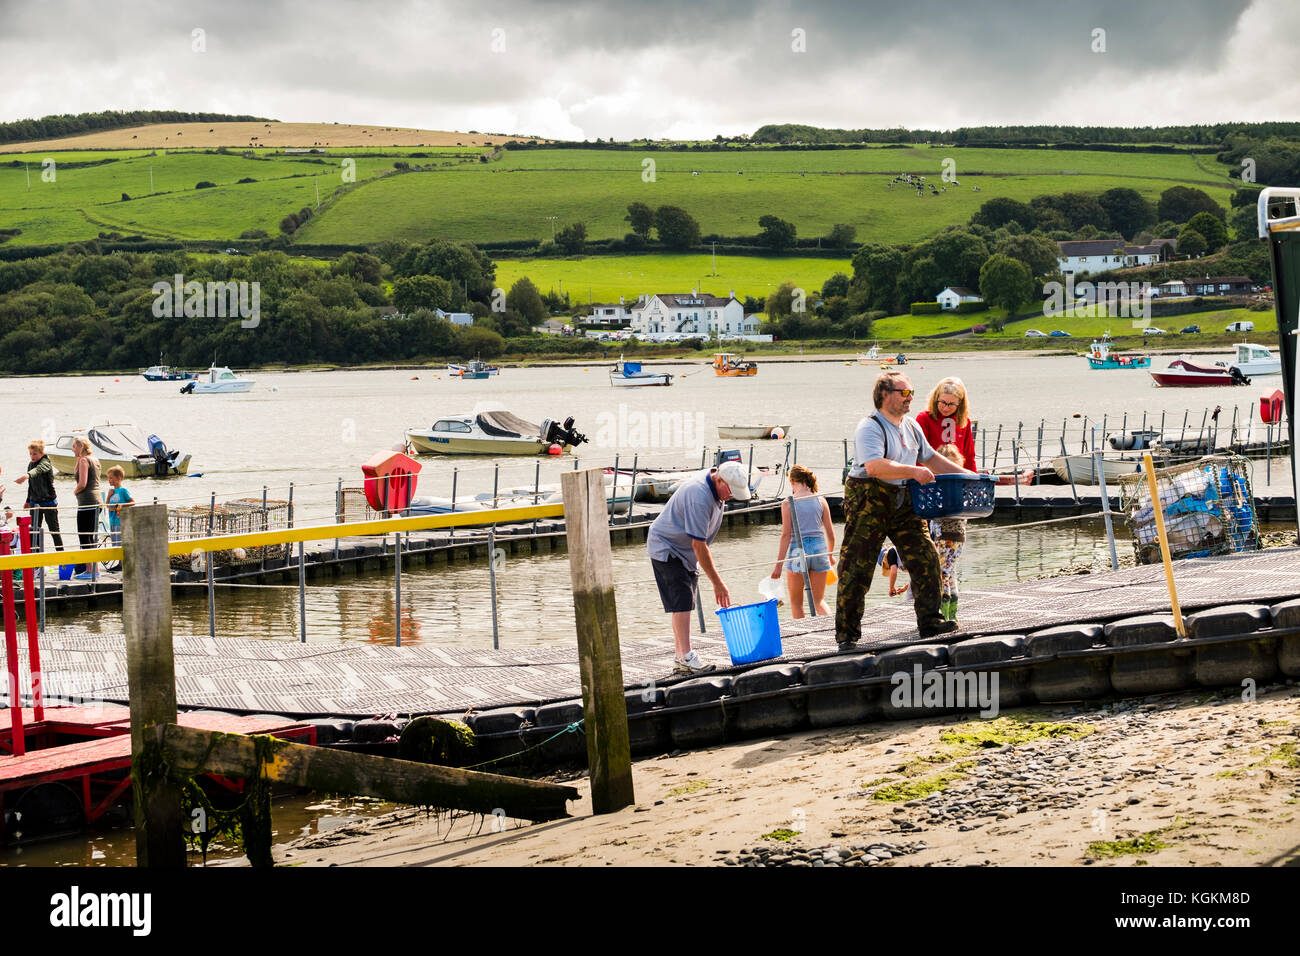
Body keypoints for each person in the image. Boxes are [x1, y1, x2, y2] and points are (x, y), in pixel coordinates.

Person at [836, 370, 975, 648]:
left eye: (911, 392)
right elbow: (875, 467)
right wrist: (914, 471)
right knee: (857, 567)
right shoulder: (870, 427)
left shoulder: (911, 426)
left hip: (903, 500)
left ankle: (931, 622)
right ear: (885, 395)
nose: (911, 397)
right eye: (905, 392)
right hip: (868, 499)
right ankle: (847, 635)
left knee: (925, 557)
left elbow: (932, 458)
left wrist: (968, 477)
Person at [647, 460, 751, 675]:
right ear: (719, 479)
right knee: (682, 600)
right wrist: (718, 584)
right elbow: (698, 544)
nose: (731, 496)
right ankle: (686, 656)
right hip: (667, 546)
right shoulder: (699, 496)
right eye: (731, 491)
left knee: (684, 602)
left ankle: (680, 658)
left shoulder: (716, 482)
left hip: (684, 550)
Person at [769, 465, 834, 618]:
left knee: (797, 604)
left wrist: (778, 566)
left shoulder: (788, 503)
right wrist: (830, 556)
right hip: (820, 550)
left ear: (792, 482)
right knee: (818, 602)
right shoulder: (821, 500)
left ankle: (804, 637)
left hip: (798, 551)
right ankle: (832, 628)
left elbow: (786, 535)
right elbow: (831, 535)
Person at [929, 444, 968, 622]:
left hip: (947, 535)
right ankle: (952, 614)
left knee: (943, 574)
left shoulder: (944, 490)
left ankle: (945, 615)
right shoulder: (961, 486)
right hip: (955, 537)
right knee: (950, 574)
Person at [915, 377, 977, 472]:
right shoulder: (924, 419)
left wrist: (973, 480)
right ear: (936, 399)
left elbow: (969, 456)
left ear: (960, 404)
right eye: (943, 402)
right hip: (931, 478)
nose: (946, 408)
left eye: (951, 404)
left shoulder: (964, 422)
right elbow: (918, 454)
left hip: (958, 478)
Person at [14, 439, 64, 553]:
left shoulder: (45, 462)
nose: (32, 456)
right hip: (35, 502)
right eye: (30, 454)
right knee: (34, 530)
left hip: (48, 502)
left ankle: (61, 555)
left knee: (54, 530)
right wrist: (27, 500)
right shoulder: (30, 464)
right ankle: (36, 555)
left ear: (42, 453)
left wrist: (26, 475)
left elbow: (38, 470)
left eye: (35, 454)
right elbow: (31, 485)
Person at [72, 436, 102, 579]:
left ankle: (90, 570)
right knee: (91, 536)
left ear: (80, 447)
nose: (73, 449)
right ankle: (94, 568)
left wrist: (75, 491)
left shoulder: (84, 460)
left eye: (74, 447)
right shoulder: (94, 459)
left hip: (87, 503)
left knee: (84, 536)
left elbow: (82, 483)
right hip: (96, 501)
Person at [103, 466, 133, 568]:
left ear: (119, 478)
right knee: (115, 543)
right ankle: (120, 563)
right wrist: (108, 496)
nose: (109, 480)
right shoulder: (111, 491)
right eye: (108, 478)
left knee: (121, 542)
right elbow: (107, 506)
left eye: (111, 478)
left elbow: (133, 502)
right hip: (112, 521)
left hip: (121, 521)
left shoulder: (123, 490)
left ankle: (123, 564)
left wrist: (122, 505)